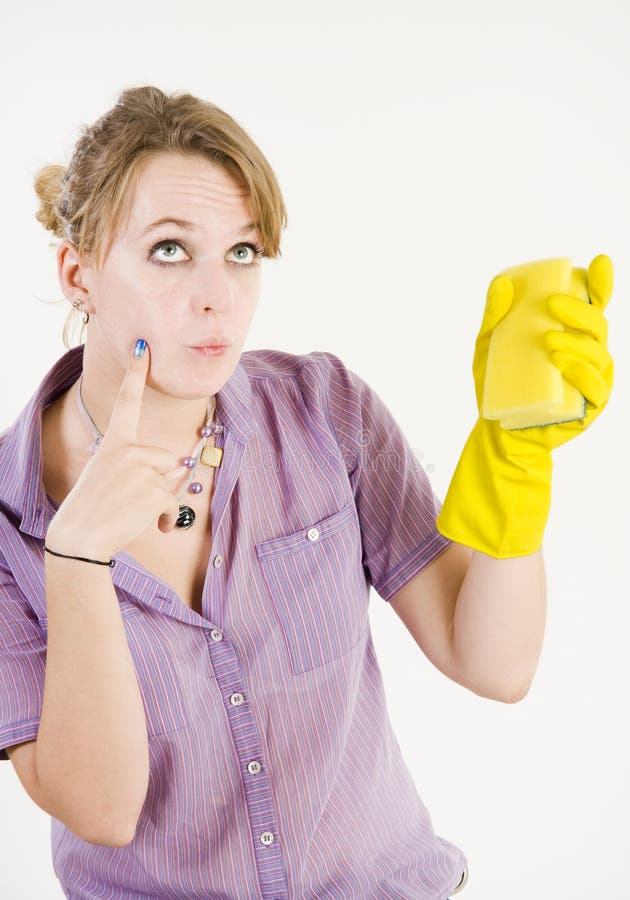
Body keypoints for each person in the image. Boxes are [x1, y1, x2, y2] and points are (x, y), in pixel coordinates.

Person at [0, 85, 474, 899]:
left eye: (244, 252)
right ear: (78, 273)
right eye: (171, 251)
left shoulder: (327, 412)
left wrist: (516, 453)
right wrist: (77, 560)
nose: (218, 294)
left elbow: (489, 659)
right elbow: (102, 811)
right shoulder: (9, 519)